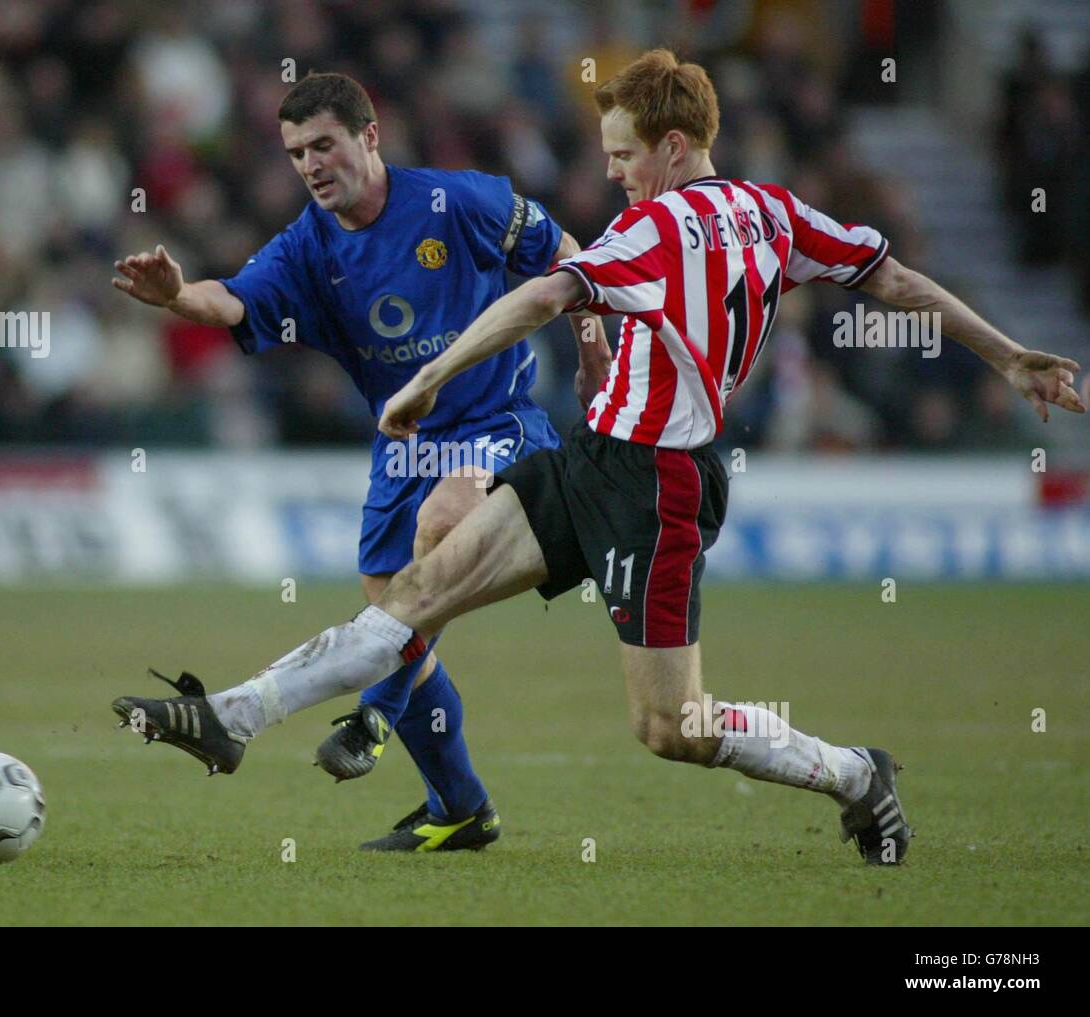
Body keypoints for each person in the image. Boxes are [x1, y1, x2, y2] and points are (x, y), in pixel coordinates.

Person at [113, 50, 1084, 864]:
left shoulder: (652, 229)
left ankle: (853, 773)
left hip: (659, 485)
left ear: (671, 147)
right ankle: (234, 718)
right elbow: (898, 279)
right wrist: (1007, 356)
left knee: (672, 729)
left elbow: (540, 295)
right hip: (588, 460)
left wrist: (424, 380)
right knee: (412, 596)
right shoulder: (777, 214)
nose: (612, 171)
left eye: (623, 153)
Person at [111, 72, 611, 851]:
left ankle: (368, 717)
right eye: (295, 152)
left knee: (439, 539)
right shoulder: (306, 246)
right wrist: (178, 296)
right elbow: (238, 302)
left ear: (368, 137)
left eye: (323, 145)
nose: (310, 165)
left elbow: (567, 254)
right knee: (391, 617)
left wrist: (591, 351)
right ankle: (462, 808)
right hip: (402, 444)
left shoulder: (459, 202)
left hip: (498, 423)